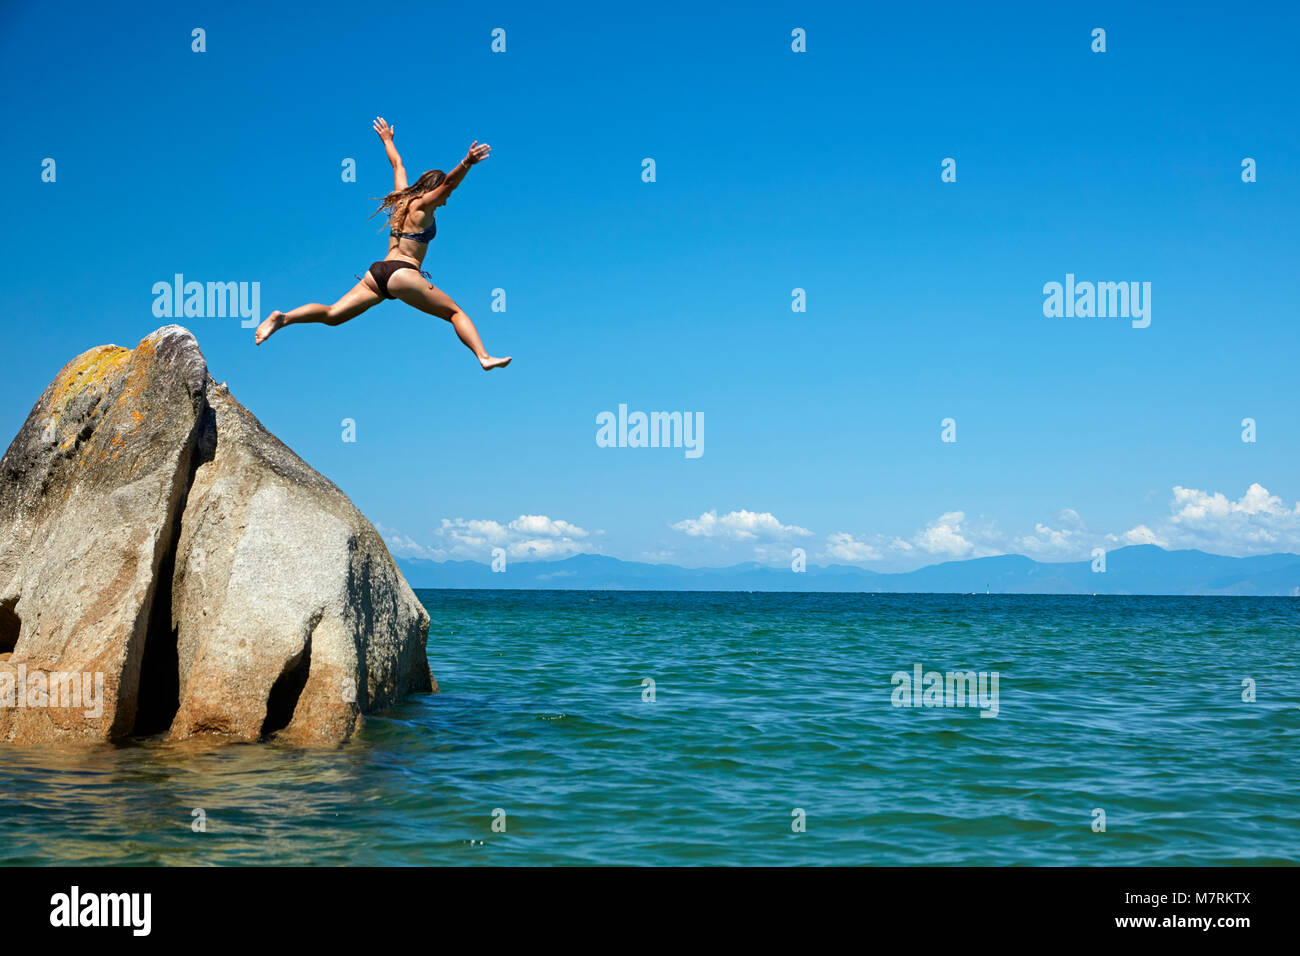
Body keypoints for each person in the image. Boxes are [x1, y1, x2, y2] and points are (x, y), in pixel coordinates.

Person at [254, 117, 511, 371]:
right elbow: (449, 184)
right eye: (442, 198)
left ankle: (284, 318)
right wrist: (467, 162)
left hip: (377, 274)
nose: (444, 202)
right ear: (433, 192)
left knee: (333, 315)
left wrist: (387, 140)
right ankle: (484, 356)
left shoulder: (401, 200)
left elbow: (397, 164)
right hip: (403, 274)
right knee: (455, 313)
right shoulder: (423, 206)